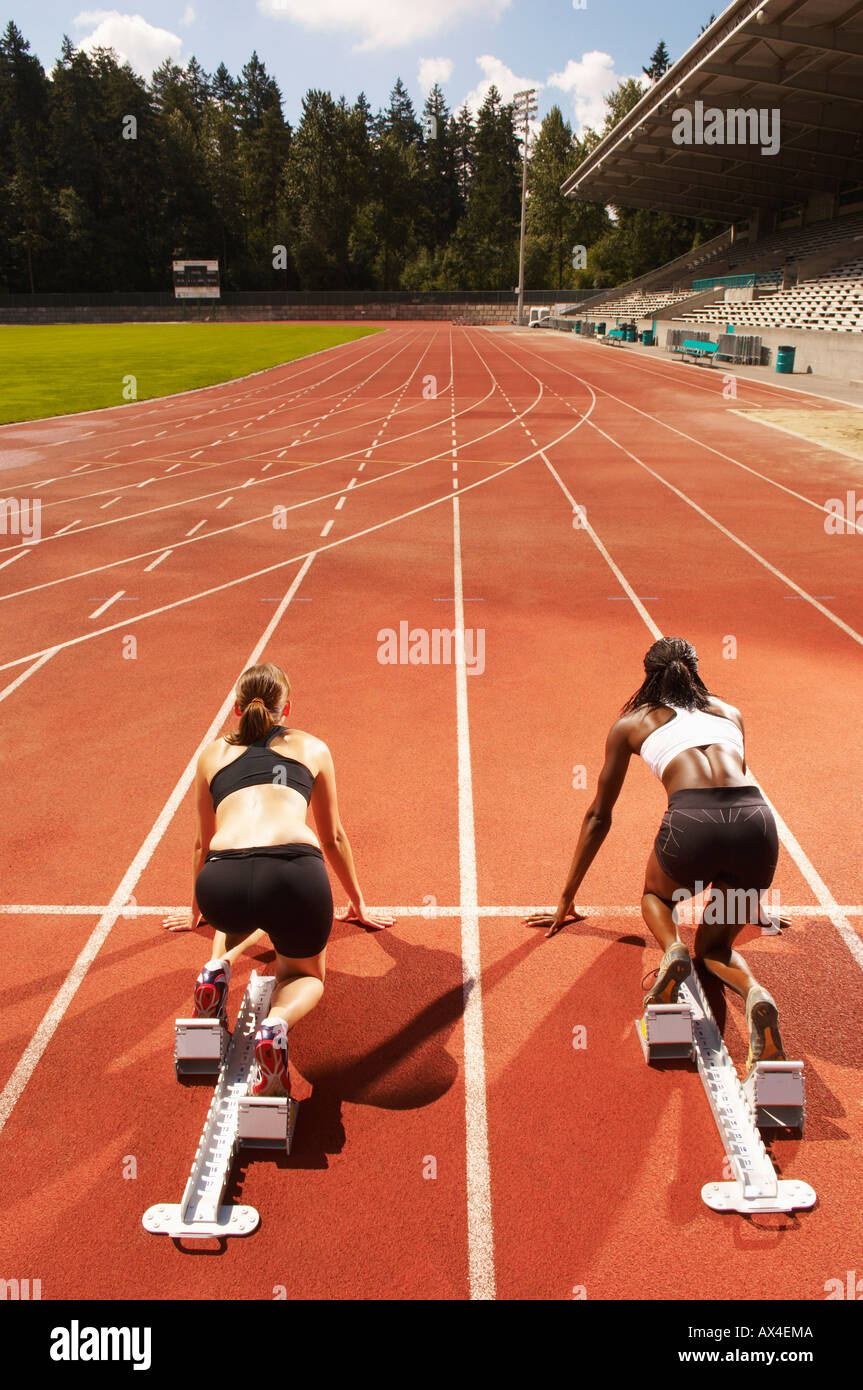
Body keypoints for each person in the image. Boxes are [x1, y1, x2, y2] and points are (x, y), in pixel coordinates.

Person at [525, 638, 787, 1074]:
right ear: (696, 672)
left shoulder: (631, 724)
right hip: (757, 823)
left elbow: (598, 817)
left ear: (648, 675)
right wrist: (751, 900)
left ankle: (672, 951)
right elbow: (736, 794)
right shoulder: (731, 714)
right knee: (717, 947)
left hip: (693, 823)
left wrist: (566, 897)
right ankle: (755, 991)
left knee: (657, 897)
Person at [163, 661, 393, 1095]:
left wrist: (196, 910)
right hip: (292, 876)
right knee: (305, 977)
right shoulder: (312, 747)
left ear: (236, 708)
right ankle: (275, 1027)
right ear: (286, 709)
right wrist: (358, 902)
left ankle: (216, 970)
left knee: (233, 919)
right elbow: (333, 837)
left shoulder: (211, 755)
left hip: (221, 882)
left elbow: (201, 844)